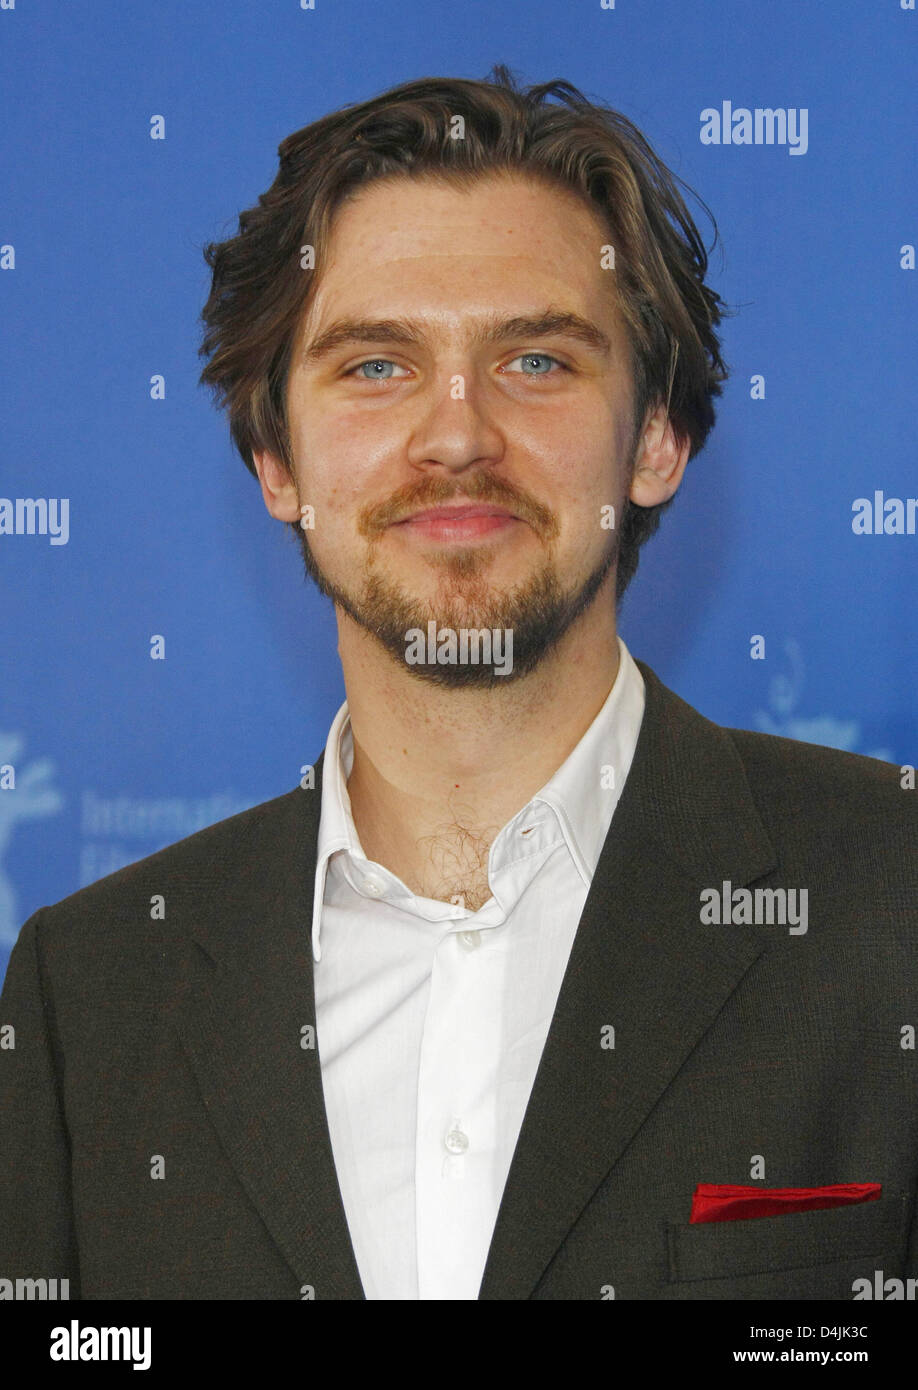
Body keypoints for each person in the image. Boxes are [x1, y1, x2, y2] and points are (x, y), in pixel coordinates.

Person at [1, 67, 915, 1302]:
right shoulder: (86, 995)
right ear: (276, 457)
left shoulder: (890, 900)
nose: (456, 432)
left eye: (535, 360)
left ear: (657, 439)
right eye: (375, 366)